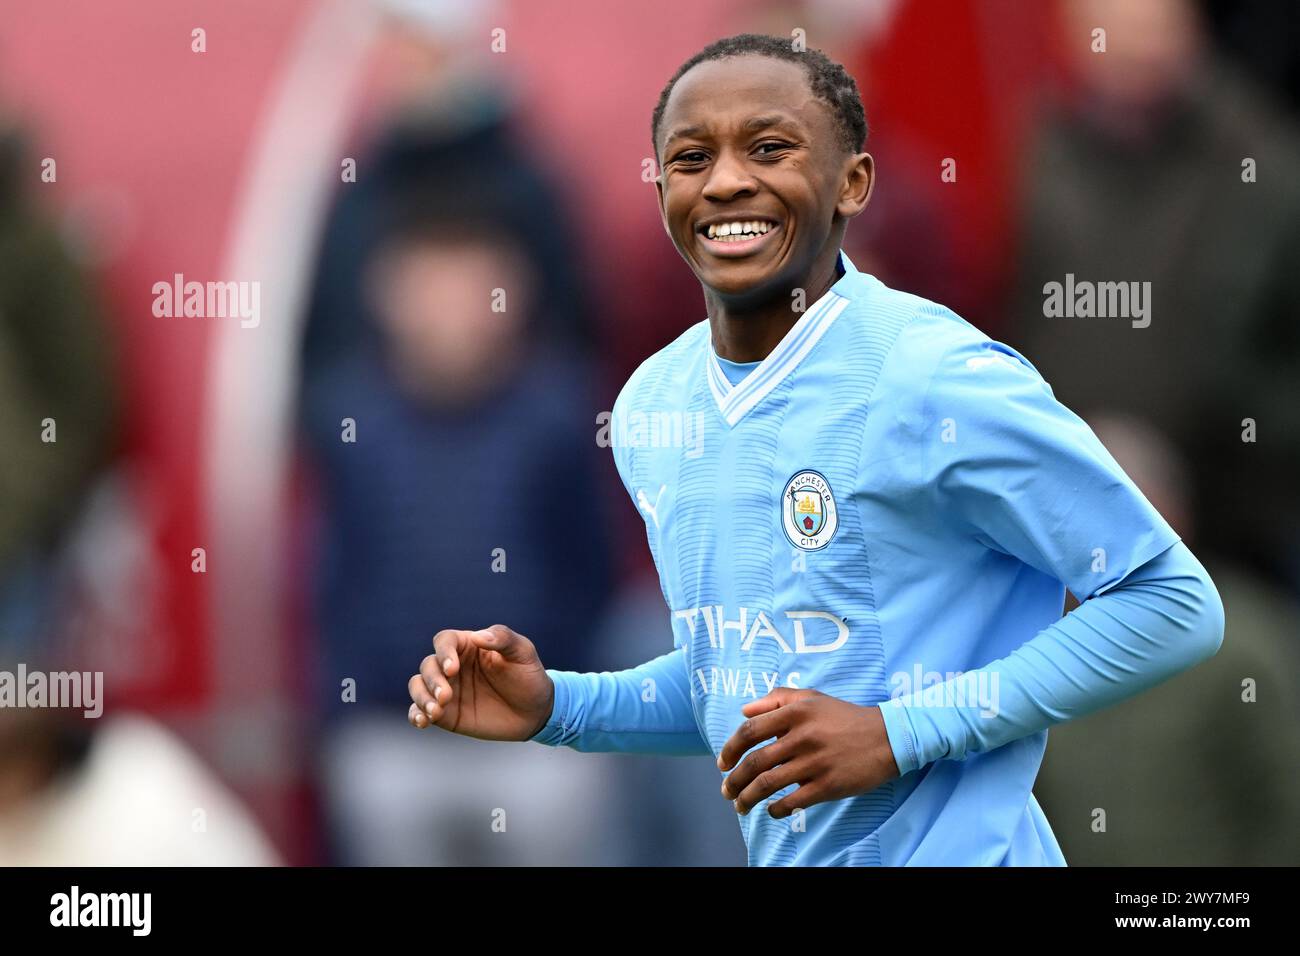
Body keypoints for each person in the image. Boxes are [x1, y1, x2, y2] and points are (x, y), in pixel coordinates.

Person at [406, 33, 1224, 866]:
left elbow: (1170, 601)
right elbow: (737, 683)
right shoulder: (655, 405)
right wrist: (560, 708)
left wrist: (896, 735)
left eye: (769, 148)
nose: (726, 181)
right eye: (691, 157)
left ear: (853, 183)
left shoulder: (934, 376)